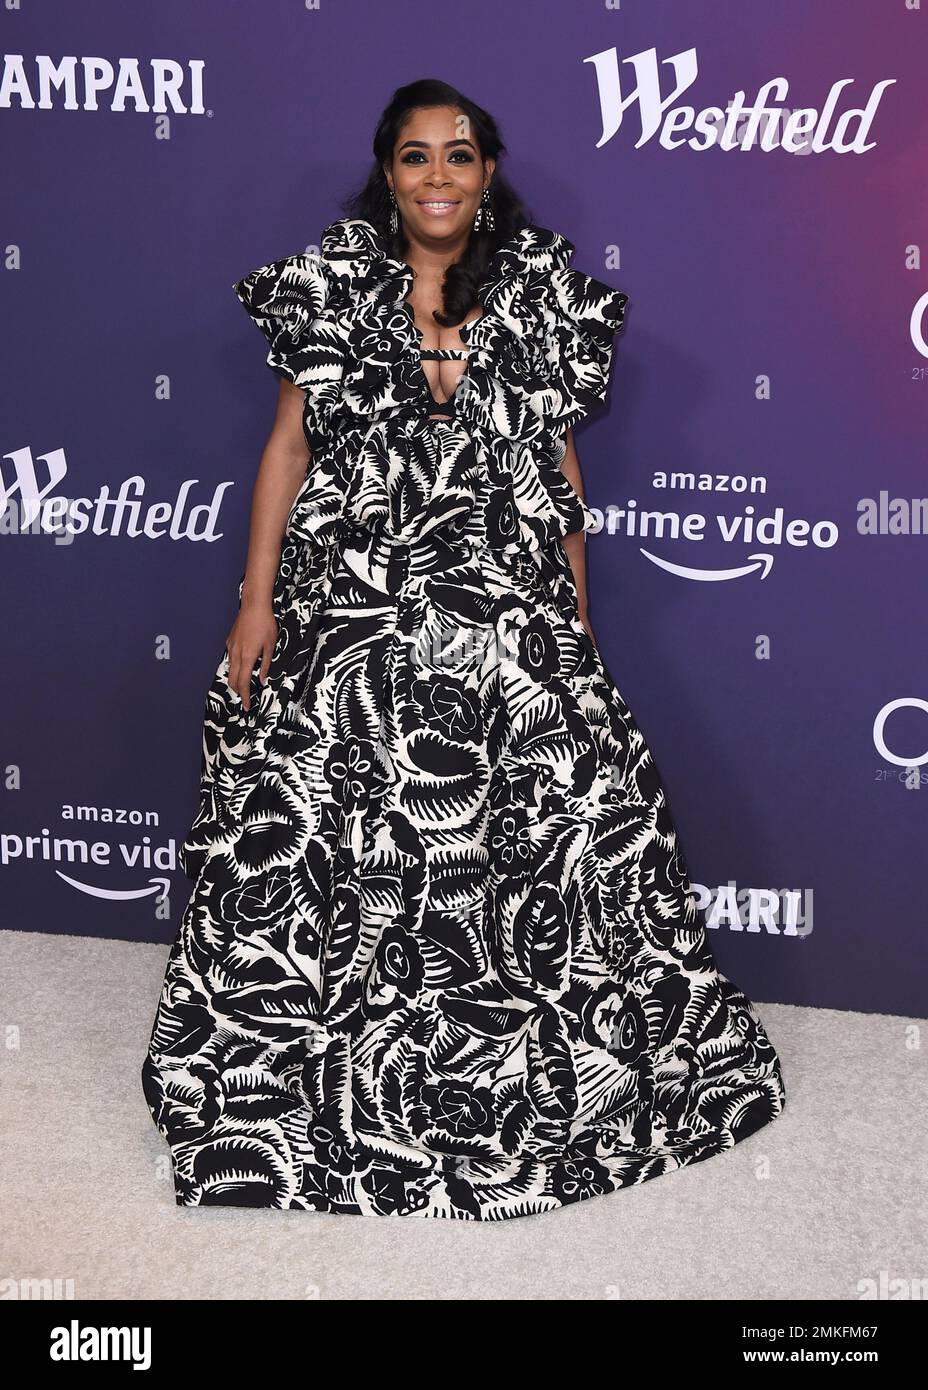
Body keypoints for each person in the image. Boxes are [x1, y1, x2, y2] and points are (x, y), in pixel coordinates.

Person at [142, 79, 786, 1220]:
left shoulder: (543, 294)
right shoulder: (331, 283)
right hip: (351, 597)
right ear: (386, 174)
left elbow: (558, 471)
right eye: (413, 156)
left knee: (567, 810)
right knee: (313, 826)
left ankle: (545, 1073)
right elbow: (286, 450)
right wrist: (255, 601)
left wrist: (574, 619)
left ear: (488, 173)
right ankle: (327, 1082)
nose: (436, 175)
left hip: (499, 595)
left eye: (458, 155)